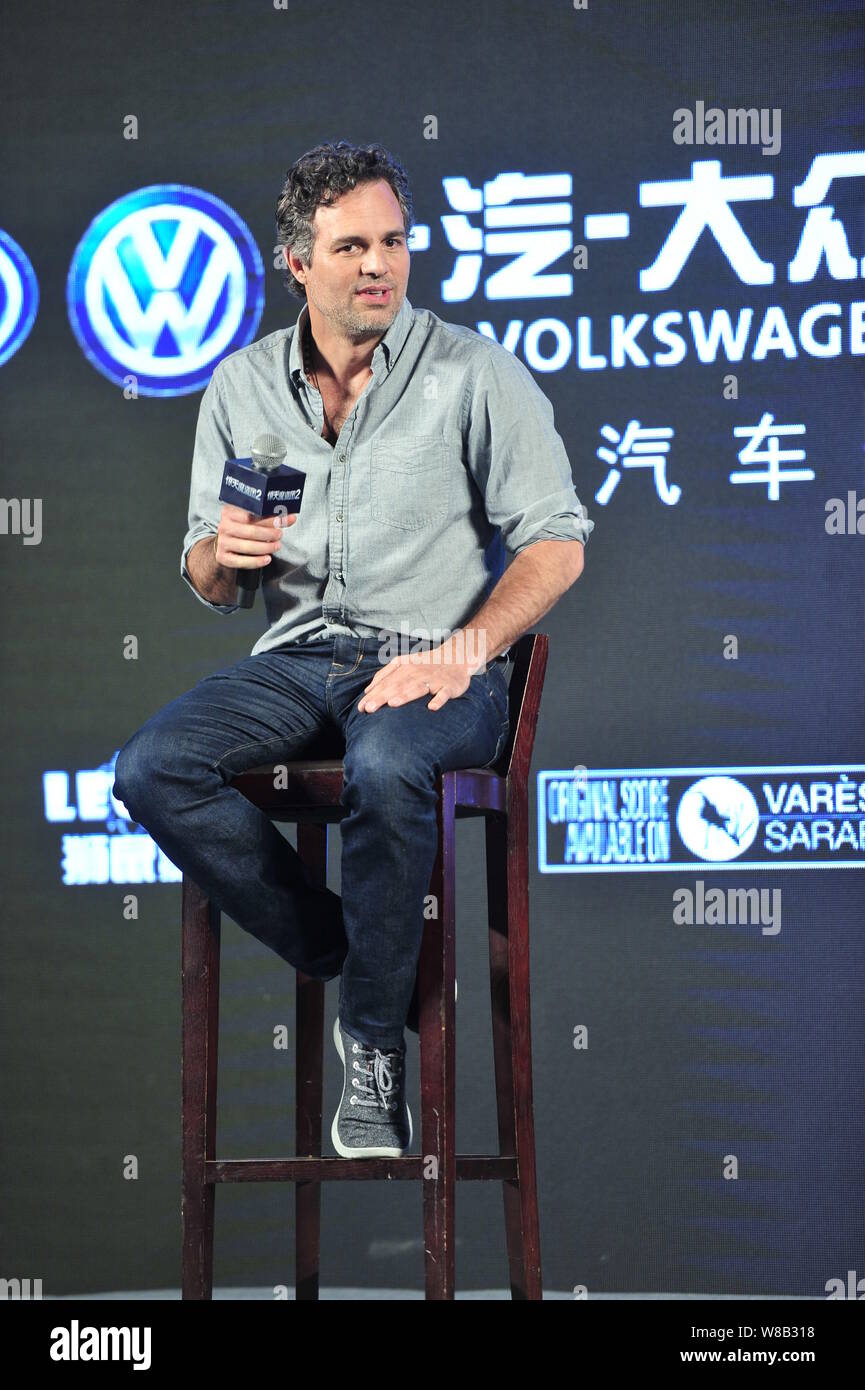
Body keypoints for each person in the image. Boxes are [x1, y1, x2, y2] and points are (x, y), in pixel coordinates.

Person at [112, 139, 594, 1160]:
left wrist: (462, 652)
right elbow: (209, 581)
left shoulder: (474, 372)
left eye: (393, 241)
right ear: (298, 263)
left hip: (436, 662)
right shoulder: (240, 387)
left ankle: (371, 1041)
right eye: (351, 246)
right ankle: (341, 940)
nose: (378, 264)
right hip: (295, 661)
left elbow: (555, 545)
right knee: (153, 767)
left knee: (383, 758)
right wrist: (221, 554)